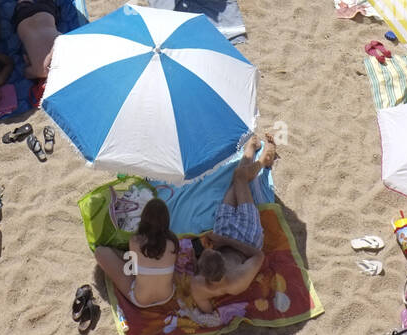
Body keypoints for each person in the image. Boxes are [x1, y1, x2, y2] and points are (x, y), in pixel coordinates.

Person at [189, 135, 278, 314]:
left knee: (235, 182)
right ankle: (263, 160)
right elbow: (259, 256)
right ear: (222, 261)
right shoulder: (239, 280)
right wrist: (226, 242)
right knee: (239, 177)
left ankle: (251, 151)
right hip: (246, 240)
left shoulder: (198, 286)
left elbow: (206, 310)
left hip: (224, 234)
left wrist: (216, 242)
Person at [94, 198, 178, 309]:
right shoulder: (172, 242)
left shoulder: (136, 241)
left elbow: (131, 267)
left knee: (100, 252)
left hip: (141, 299)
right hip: (167, 296)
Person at [12, 0, 59, 79]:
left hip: (44, 14)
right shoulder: (41, 72)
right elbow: (26, 72)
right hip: (24, 20)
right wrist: (29, 62)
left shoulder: (66, 52)